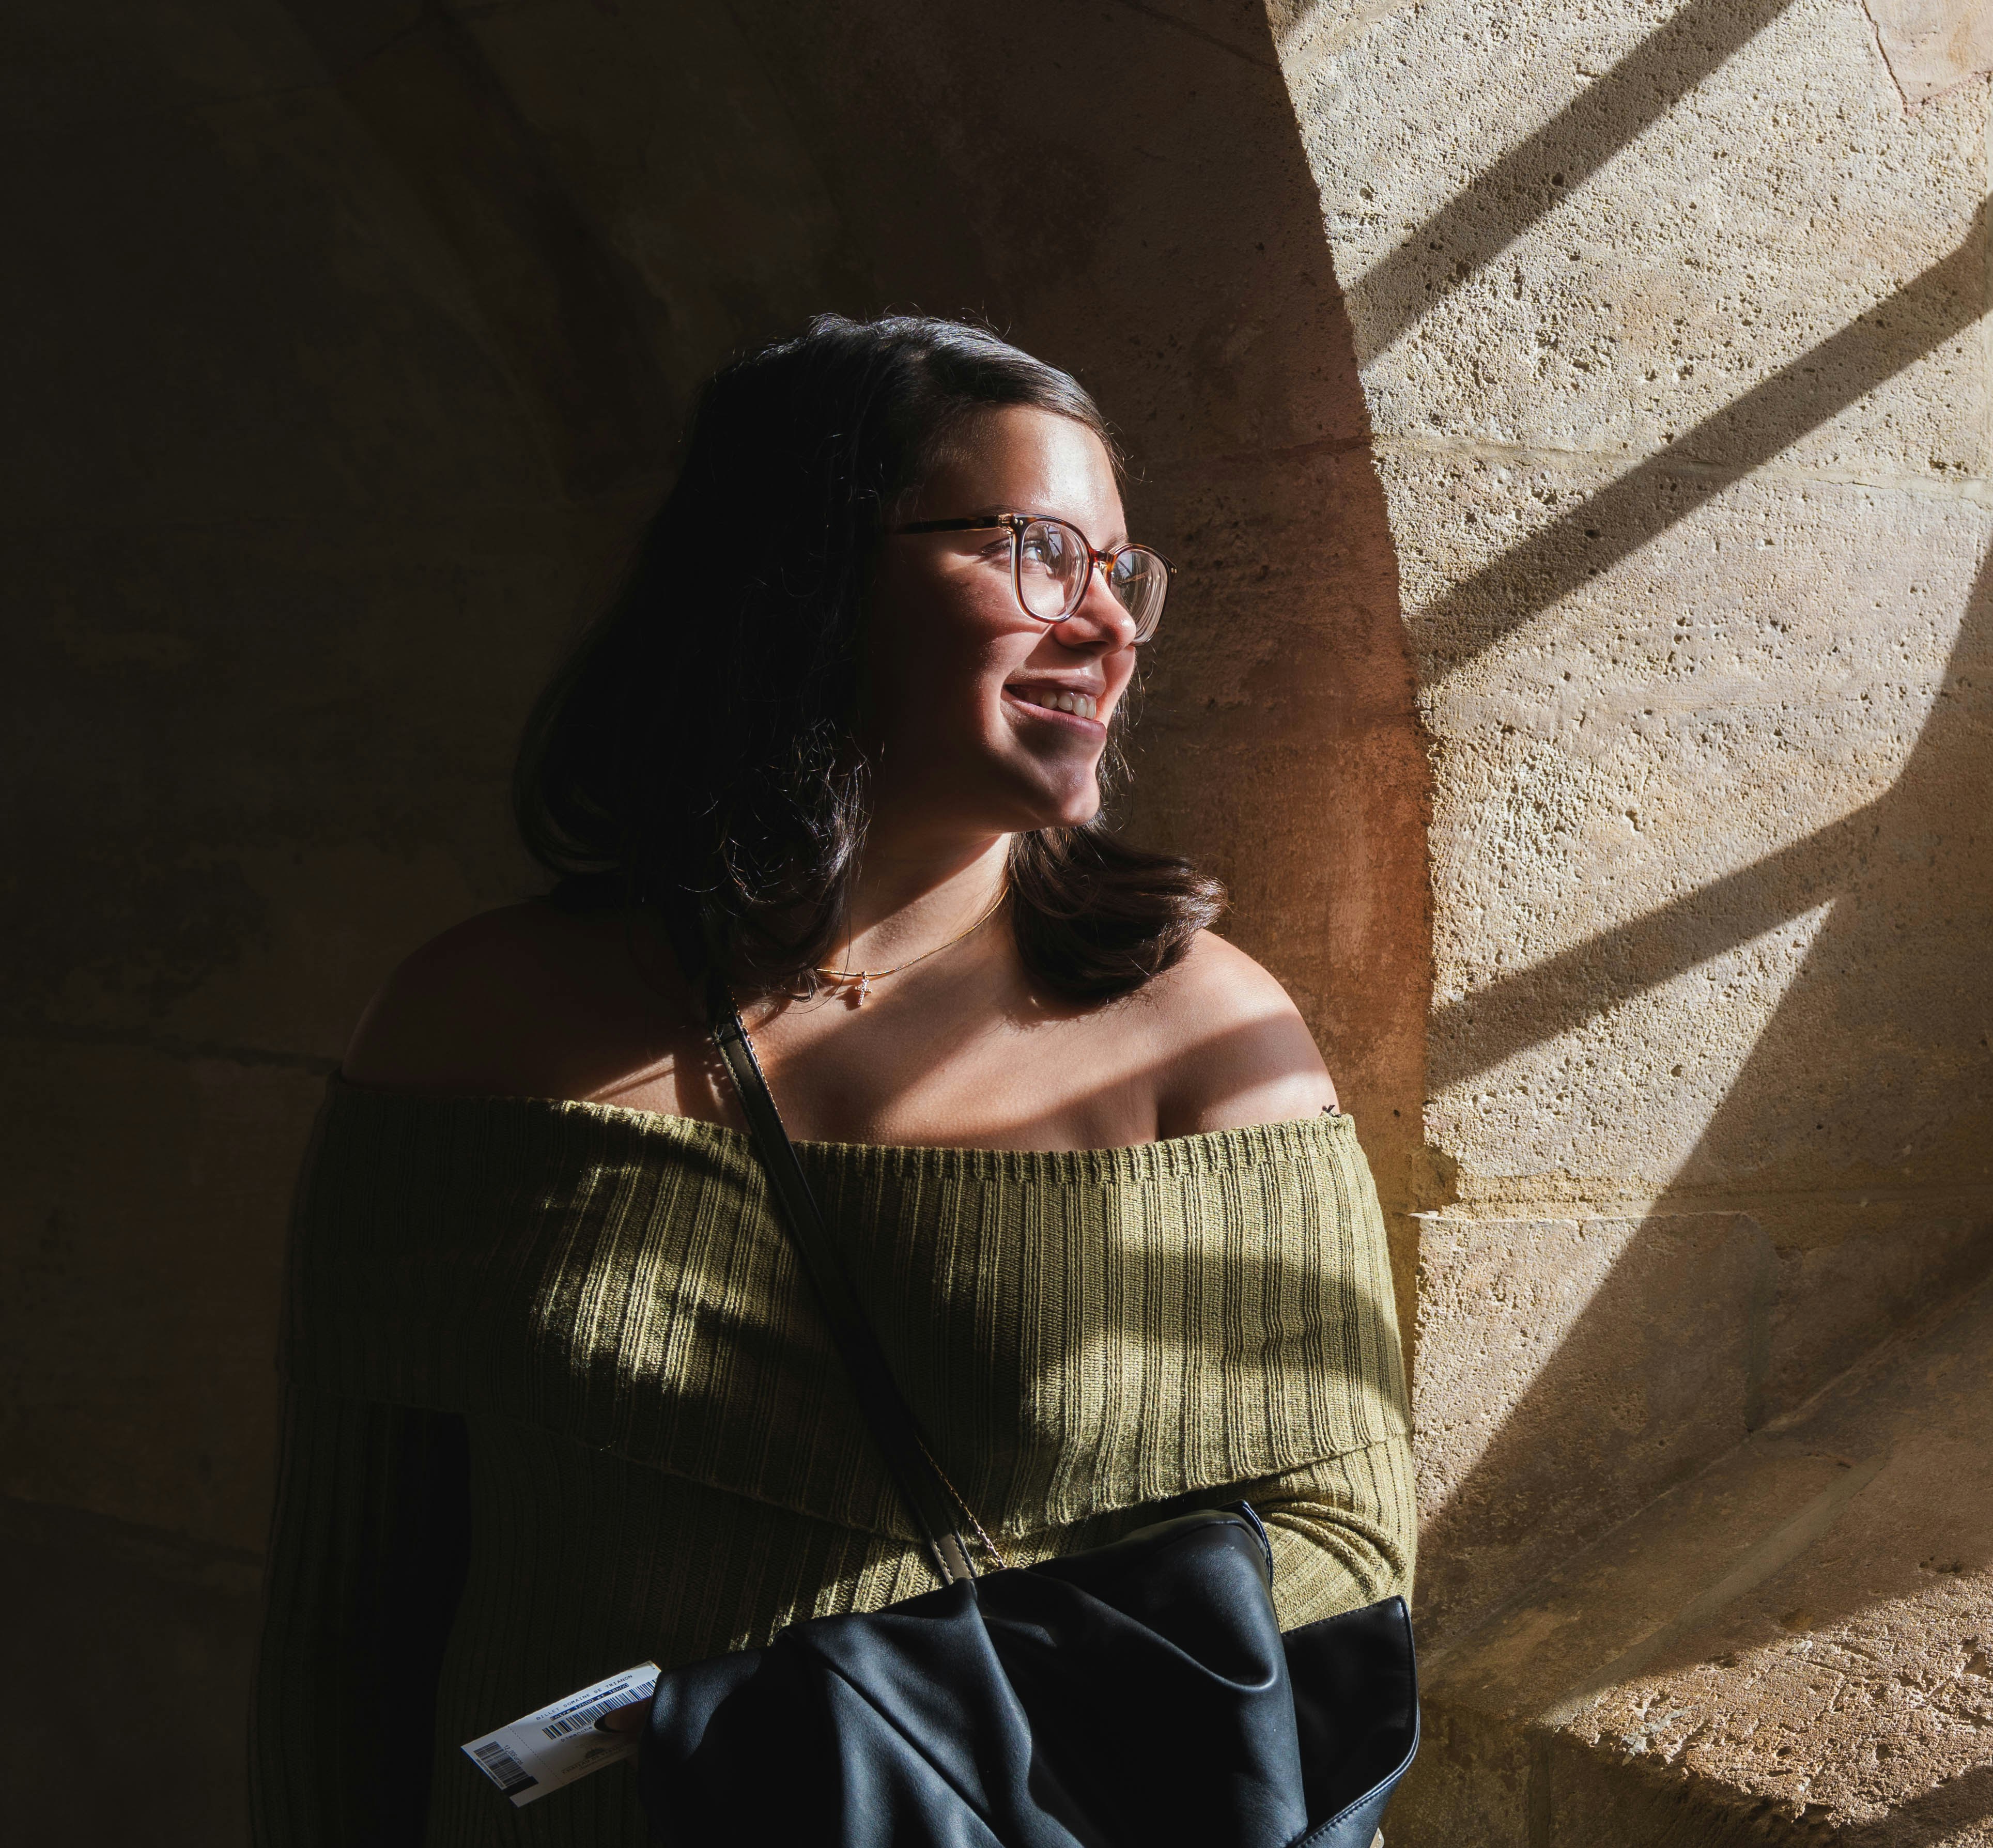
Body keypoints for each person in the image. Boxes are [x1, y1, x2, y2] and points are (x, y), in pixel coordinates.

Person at [250, 315, 1414, 1845]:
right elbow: (353, 1628)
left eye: (1123, 572)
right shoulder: (472, 1027)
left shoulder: (1203, 1048)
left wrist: (822, 1716)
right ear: (803, 570)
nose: (1112, 625)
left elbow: (1350, 1557)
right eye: (1039, 552)